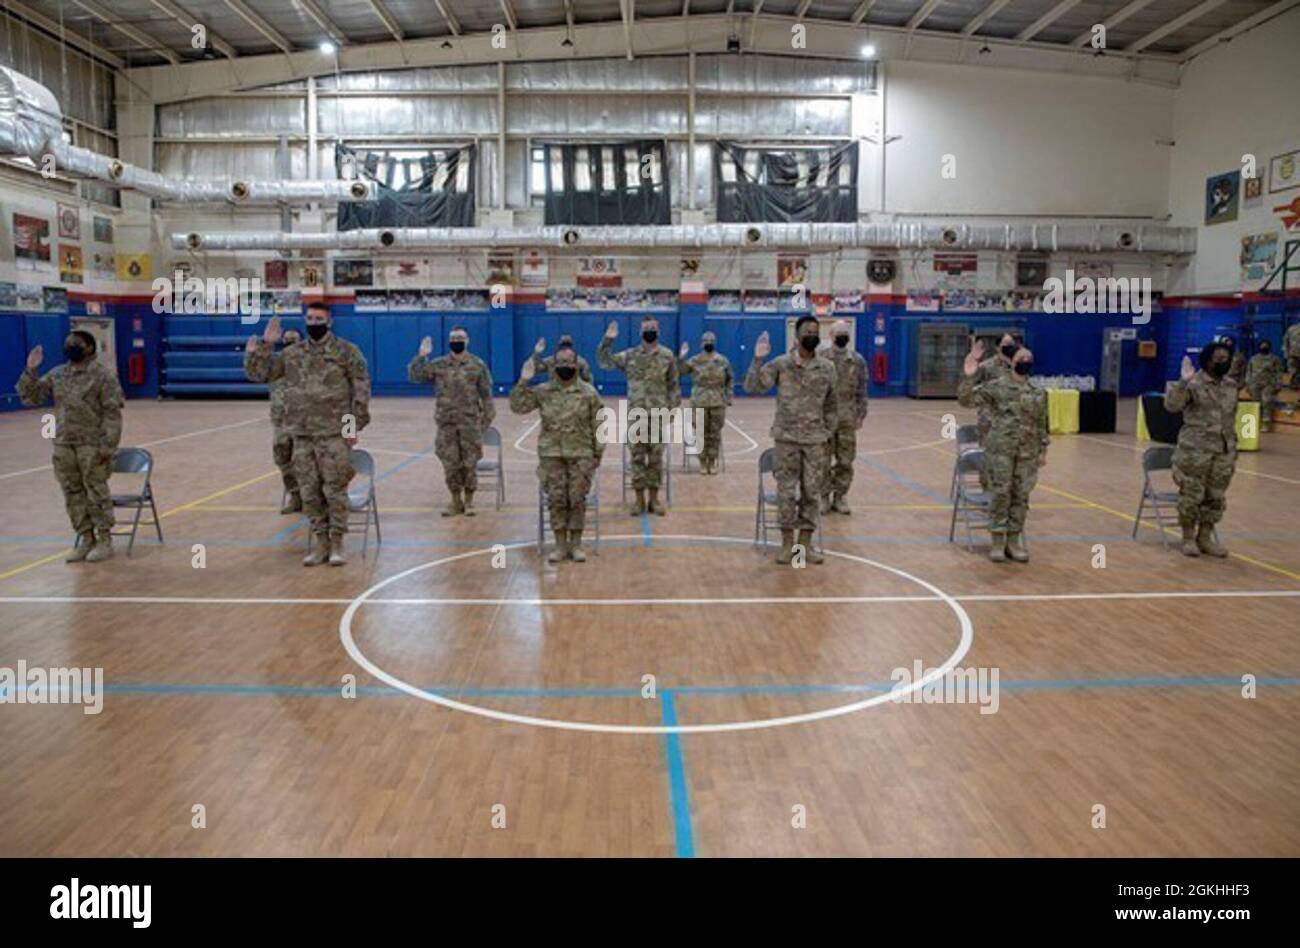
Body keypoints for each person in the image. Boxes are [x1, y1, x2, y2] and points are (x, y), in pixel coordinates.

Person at [245, 306, 370, 566]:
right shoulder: (292, 354)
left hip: (334, 434)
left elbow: (360, 391)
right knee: (309, 492)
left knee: (334, 490)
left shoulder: (346, 352)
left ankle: (337, 543)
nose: (314, 323)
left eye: (319, 319)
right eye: (310, 319)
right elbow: (258, 374)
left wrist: (351, 428)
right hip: (301, 434)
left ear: (330, 322)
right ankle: (320, 542)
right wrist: (266, 345)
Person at [18, 331, 124, 562]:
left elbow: (112, 414)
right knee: (72, 492)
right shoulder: (58, 374)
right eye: (68, 343)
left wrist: (108, 446)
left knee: (95, 490)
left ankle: (104, 540)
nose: (70, 346)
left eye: (76, 343)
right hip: (64, 444)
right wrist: (31, 370)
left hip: (92, 444)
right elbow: (31, 397)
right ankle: (86, 538)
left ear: (89, 348)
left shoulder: (103, 376)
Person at [744, 315, 837, 565]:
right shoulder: (781, 364)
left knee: (812, 493)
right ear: (796, 337)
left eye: (815, 332)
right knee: (786, 492)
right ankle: (787, 545)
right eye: (807, 331)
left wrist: (828, 431)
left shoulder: (827, 368)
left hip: (816, 441)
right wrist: (758, 358)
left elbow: (831, 404)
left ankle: (804, 546)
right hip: (786, 439)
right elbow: (753, 386)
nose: (811, 335)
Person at [510, 347, 605, 563]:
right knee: (556, 499)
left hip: (581, 453)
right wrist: (523, 381)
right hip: (551, 454)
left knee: (577, 498)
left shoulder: (589, 392)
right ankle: (560, 545)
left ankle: (576, 544)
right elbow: (517, 406)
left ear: (576, 364)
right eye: (560, 361)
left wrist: (597, 453)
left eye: (569, 361)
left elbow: (600, 424)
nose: (565, 366)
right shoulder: (543, 391)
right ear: (553, 364)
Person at [957, 345, 1048, 563]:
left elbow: (1043, 424)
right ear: (1011, 361)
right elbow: (966, 400)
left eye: (1029, 356)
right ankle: (997, 542)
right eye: (1021, 357)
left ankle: (1013, 542)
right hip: (1001, 452)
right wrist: (970, 375)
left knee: (1021, 496)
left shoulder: (1038, 392)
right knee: (1000, 495)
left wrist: (1043, 450)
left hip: (1027, 453)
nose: (1025, 359)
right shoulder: (997, 387)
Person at [408, 325, 495, 517]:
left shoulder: (477, 365)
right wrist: (421, 356)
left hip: (470, 423)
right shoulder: (439, 364)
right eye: (453, 337)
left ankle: (470, 501)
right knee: (450, 464)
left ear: (468, 340)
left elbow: (487, 396)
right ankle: (455, 501)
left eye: (460, 337)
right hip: (446, 424)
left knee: (469, 463)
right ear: (448, 341)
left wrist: (484, 423)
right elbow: (415, 377)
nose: (457, 340)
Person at [597, 315, 680, 515]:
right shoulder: (630, 355)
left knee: (655, 459)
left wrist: (672, 410)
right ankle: (639, 501)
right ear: (640, 332)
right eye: (646, 328)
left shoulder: (667, 356)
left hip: (658, 415)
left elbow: (673, 385)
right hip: (636, 416)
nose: (649, 330)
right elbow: (604, 362)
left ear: (658, 331)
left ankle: (654, 500)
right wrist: (608, 340)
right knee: (637, 458)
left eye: (653, 327)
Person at [1164, 342, 1237, 558]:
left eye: (1227, 358)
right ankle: (1187, 538)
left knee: (1216, 497)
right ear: (1207, 360)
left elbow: (1231, 417)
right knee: (1192, 495)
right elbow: (1172, 406)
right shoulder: (1193, 383)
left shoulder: (1231, 385)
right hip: (1194, 452)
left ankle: (1205, 538)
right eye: (1219, 358)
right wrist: (1183, 382)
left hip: (1223, 451)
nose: (1224, 362)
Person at [822, 319, 869, 514]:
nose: (842, 336)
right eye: (839, 332)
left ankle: (840, 497)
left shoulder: (857, 361)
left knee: (845, 461)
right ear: (831, 335)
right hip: (824, 419)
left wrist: (861, 415)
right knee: (822, 460)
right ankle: (823, 497)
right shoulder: (821, 358)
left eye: (845, 332)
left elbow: (862, 391)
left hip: (847, 419)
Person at [677, 331, 733, 475]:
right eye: (706, 340)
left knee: (714, 433)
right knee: (700, 433)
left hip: (717, 401)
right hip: (699, 401)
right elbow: (680, 371)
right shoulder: (695, 360)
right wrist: (682, 358)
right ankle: (702, 462)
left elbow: (730, 380)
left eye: (711, 340)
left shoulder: (723, 361)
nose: (709, 342)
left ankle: (712, 461)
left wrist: (729, 397)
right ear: (701, 343)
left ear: (715, 342)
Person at [269, 328, 302, 514]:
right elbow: (256, 371)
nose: (290, 343)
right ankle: (295, 496)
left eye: (294, 340)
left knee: (306, 460)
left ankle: (314, 497)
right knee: (282, 458)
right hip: (281, 421)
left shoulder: (309, 362)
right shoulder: (276, 364)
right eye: (287, 340)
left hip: (304, 421)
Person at [1245, 341, 1283, 432]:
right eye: (1262, 346)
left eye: (1266, 346)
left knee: (1267, 403)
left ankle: (1266, 424)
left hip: (1268, 384)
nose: (1264, 347)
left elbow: (1278, 372)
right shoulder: (1253, 358)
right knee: (1256, 404)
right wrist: (1248, 383)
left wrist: (1278, 384)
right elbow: (1248, 371)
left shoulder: (1274, 359)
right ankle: (1255, 423)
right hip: (1254, 384)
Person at [1285, 322, 1300, 389]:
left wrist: (1286, 354)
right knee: (1294, 371)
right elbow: (1286, 341)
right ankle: (1294, 384)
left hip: (1293, 353)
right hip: (1294, 354)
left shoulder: (1291, 328)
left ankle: (1294, 384)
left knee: (1294, 371)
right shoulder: (1291, 329)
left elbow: (1285, 341)